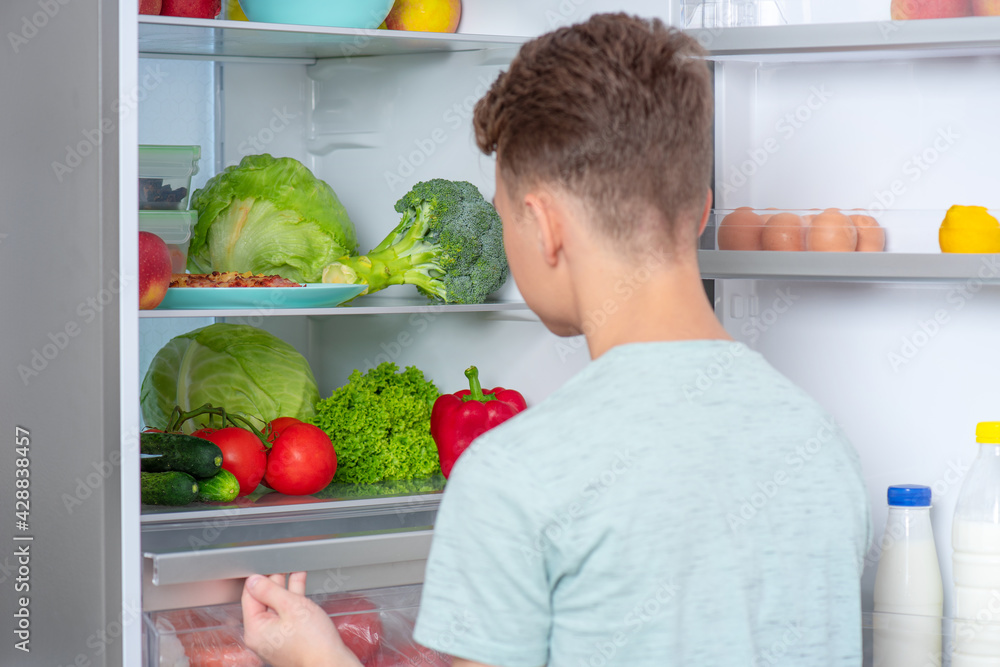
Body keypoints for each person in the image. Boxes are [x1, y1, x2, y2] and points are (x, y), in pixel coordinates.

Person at [240, 13, 872, 667]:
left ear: (543, 226)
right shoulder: (820, 443)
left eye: (504, 213)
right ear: (703, 209)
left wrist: (313, 656)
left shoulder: (512, 476)